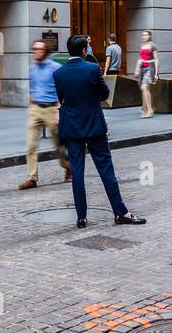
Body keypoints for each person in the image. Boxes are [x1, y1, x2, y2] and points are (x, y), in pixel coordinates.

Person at [54, 35, 146, 230]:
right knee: (106, 169)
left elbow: (62, 98)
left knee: (77, 172)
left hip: (71, 127)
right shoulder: (92, 69)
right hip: (94, 125)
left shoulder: (59, 73)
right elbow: (105, 94)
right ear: (84, 50)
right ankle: (120, 212)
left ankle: (81, 217)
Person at [18, 40, 69, 188]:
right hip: (35, 109)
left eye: (39, 49)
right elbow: (32, 89)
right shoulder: (32, 68)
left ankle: (68, 167)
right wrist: (30, 107)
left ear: (45, 51)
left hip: (52, 109)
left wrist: (59, 111)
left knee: (58, 145)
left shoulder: (55, 68)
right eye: (34, 49)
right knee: (31, 145)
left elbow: (63, 92)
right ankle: (32, 178)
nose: (36, 52)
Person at [136, 30, 159, 117]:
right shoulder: (141, 45)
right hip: (142, 68)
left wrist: (156, 73)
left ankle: (150, 110)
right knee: (144, 89)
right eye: (143, 35)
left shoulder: (153, 46)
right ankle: (144, 109)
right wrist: (137, 69)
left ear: (150, 36)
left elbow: (156, 59)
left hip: (150, 67)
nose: (144, 37)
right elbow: (140, 58)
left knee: (144, 87)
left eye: (146, 35)